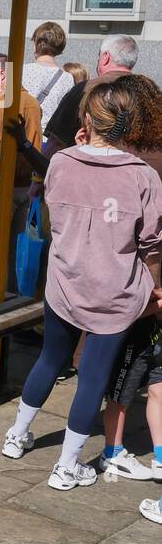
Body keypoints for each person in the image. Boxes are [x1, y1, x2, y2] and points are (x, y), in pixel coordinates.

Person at [1, 79, 162, 490]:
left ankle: (16, 436)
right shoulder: (143, 177)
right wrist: (156, 287)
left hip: (65, 281)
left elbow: (55, 209)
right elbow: (152, 245)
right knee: (92, 376)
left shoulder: (61, 162)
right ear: (132, 125)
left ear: (87, 120)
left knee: (49, 359)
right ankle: (67, 465)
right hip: (114, 291)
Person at [95, 75, 162, 483]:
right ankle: (158, 454)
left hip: (135, 283)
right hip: (146, 277)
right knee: (158, 378)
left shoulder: (124, 158)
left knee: (124, 373)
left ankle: (114, 448)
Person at [0, 53, 44, 291]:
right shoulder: (32, 102)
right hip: (25, 187)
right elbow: (36, 144)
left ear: (2, 75)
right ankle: (10, 301)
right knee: (13, 251)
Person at [43, 34, 138, 154]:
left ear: (105, 57)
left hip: (90, 167)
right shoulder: (149, 91)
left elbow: (56, 144)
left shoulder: (85, 89)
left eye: (99, 56)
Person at [22, 21, 75, 130]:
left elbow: (6, 105)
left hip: (21, 135)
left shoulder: (20, 70)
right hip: (48, 138)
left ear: (37, 43)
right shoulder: (67, 78)